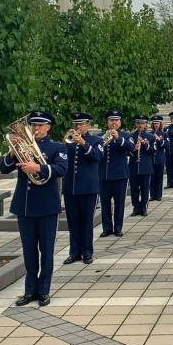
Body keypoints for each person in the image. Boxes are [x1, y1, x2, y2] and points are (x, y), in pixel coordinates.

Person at [0, 111, 68, 307]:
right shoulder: (22, 145)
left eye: (40, 125)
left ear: (48, 127)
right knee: (29, 251)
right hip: (25, 206)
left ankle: (44, 291)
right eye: (34, 125)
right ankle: (30, 290)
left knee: (46, 251)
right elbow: (4, 169)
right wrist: (12, 152)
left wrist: (37, 168)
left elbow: (62, 168)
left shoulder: (57, 147)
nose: (36, 128)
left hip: (47, 207)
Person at [61, 112, 101, 266]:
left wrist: (84, 143)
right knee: (73, 222)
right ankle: (74, 252)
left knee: (87, 222)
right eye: (76, 124)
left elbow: (97, 156)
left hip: (88, 188)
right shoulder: (69, 142)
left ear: (88, 125)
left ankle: (87, 252)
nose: (78, 127)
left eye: (81, 124)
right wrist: (64, 141)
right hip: (70, 188)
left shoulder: (95, 141)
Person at [98, 110, 133, 237]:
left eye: (116, 120)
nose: (114, 122)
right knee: (105, 204)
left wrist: (119, 138)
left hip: (120, 175)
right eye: (111, 120)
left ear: (120, 122)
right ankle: (107, 228)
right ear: (107, 122)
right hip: (104, 175)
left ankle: (118, 228)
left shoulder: (126, 136)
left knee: (119, 203)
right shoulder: (100, 136)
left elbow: (132, 148)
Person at [129, 115, 155, 216]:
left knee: (145, 189)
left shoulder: (150, 137)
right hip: (133, 167)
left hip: (145, 167)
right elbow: (127, 151)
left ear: (145, 125)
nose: (140, 125)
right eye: (138, 123)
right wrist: (134, 148)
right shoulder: (131, 136)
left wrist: (146, 145)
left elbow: (153, 151)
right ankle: (136, 207)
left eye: (142, 123)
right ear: (135, 124)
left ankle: (144, 207)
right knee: (134, 189)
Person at [148, 115, 166, 202]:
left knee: (159, 177)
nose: (156, 125)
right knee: (152, 177)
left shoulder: (164, 134)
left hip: (160, 158)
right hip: (151, 158)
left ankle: (158, 195)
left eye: (157, 123)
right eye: (154, 123)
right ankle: (152, 195)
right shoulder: (149, 134)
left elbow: (166, 145)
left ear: (160, 124)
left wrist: (159, 140)